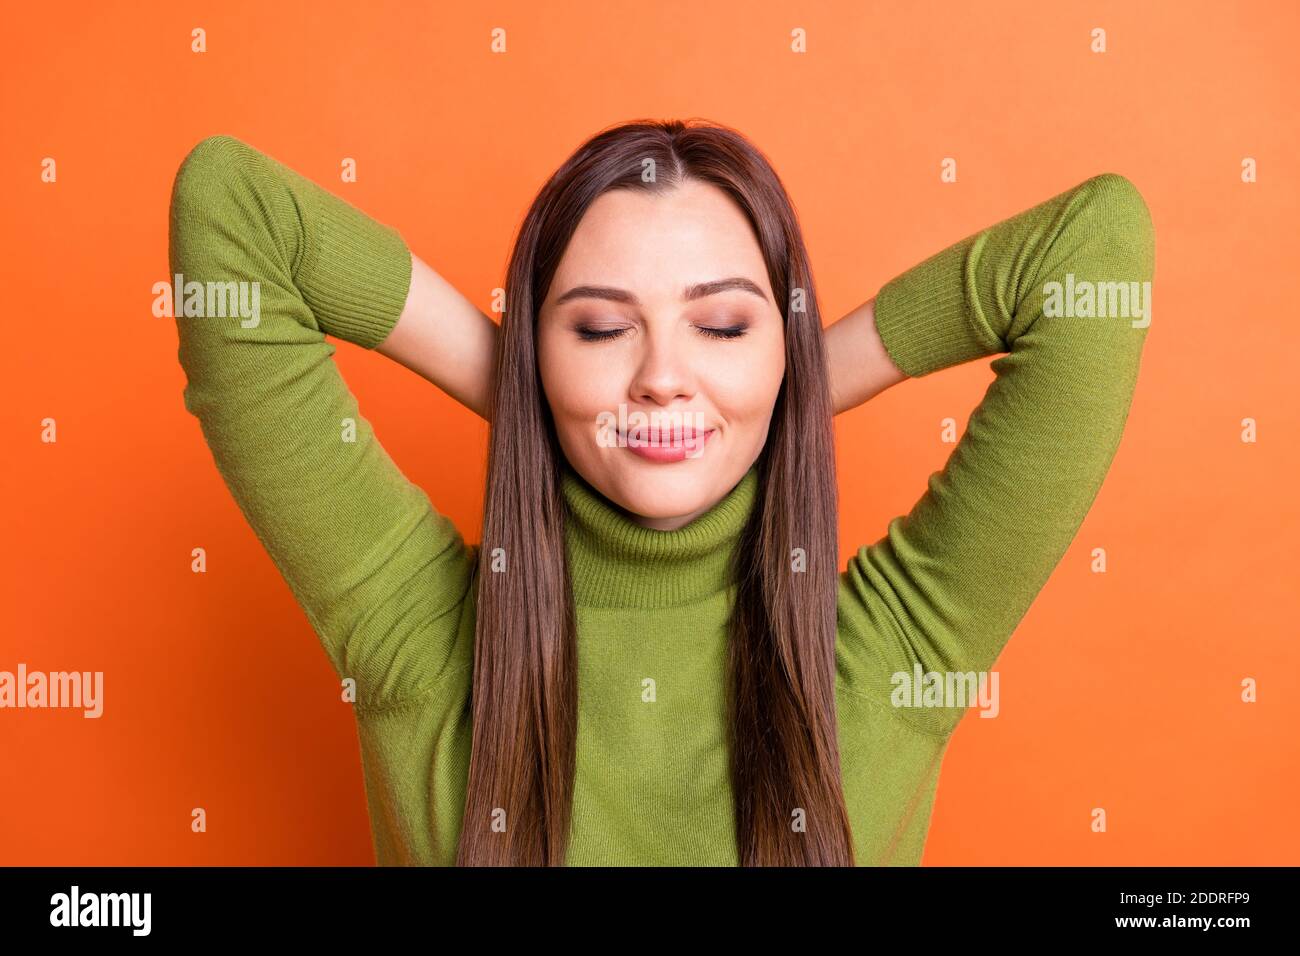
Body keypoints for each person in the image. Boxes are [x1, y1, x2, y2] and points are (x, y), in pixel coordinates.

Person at [167, 119, 1154, 866]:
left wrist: (788, 395)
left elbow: (1093, 249)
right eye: (599, 330)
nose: (660, 376)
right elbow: (233, 213)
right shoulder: (420, 641)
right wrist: (529, 400)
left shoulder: (894, 655)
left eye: (723, 326)